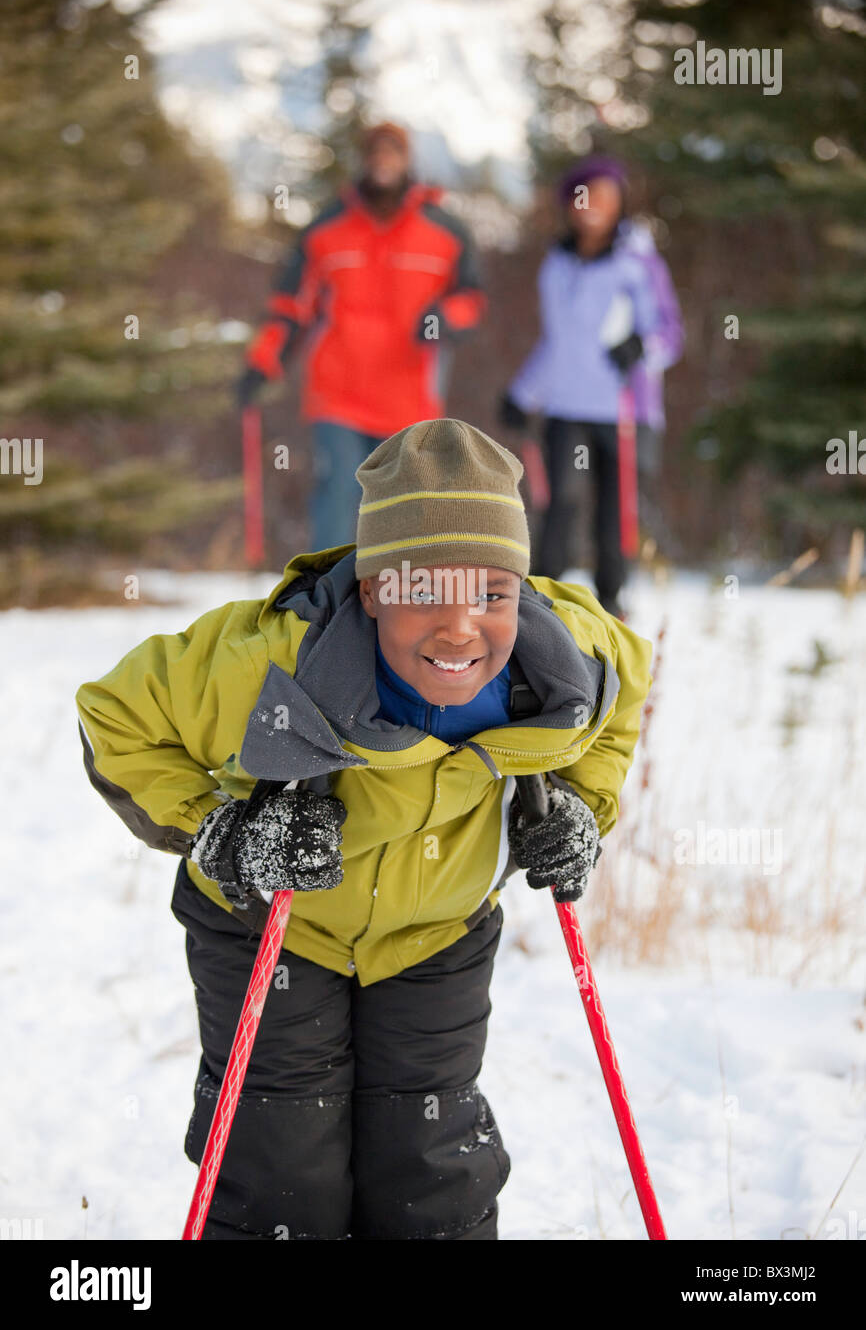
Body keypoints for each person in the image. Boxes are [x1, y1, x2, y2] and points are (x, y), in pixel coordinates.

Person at [75, 418, 653, 1241]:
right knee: (282, 1166)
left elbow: (626, 689)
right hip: (274, 925)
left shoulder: (560, 664)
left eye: (492, 593)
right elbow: (114, 719)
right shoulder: (269, 663)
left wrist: (577, 809)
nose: (462, 628)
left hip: (436, 935)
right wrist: (226, 832)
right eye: (425, 590)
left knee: (434, 1165)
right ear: (377, 588)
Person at [236, 121, 486, 551]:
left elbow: (471, 298)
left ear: (407, 162)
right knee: (337, 493)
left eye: (393, 153)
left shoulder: (445, 231)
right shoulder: (326, 228)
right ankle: (328, 601)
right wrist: (262, 362)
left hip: (409, 394)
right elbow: (290, 305)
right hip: (338, 391)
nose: (383, 162)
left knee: (402, 504)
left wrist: (443, 318)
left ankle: (399, 605)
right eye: (376, 153)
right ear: (364, 161)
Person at [500, 155, 683, 618]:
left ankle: (612, 603)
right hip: (566, 406)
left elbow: (670, 332)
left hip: (626, 408)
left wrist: (642, 346)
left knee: (614, 509)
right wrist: (523, 394)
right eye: (584, 197)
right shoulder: (557, 265)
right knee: (557, 501)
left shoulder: (639, 261)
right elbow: (558, 344)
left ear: (619, 202)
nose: (592, 206)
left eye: (604, 195)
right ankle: (540, 599)